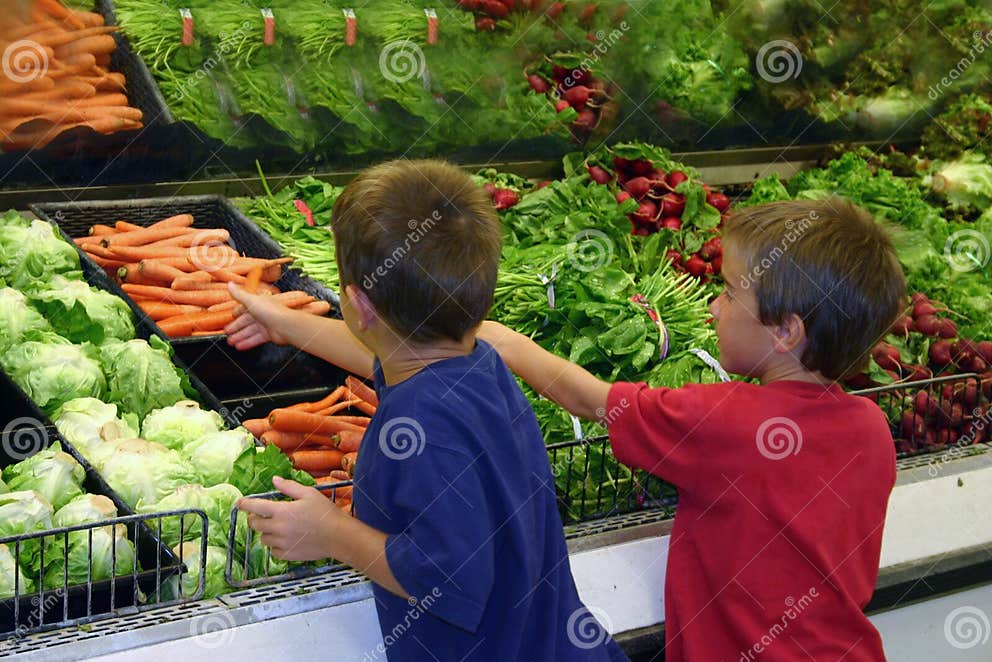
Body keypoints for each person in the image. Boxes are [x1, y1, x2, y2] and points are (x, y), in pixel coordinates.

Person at [229, 159, 628, 662]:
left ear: (358, 305)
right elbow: (387, 352)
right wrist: (285, 323)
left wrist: (332, 534)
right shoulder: (477, 364)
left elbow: (452, 579)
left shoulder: (421, 426)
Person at [478, 198, 906, 662]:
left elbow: (589, 400)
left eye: (729, 292)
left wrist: (505, 341)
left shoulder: (724, 422)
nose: (714, 307)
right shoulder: (872, 428)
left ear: (785, 332)